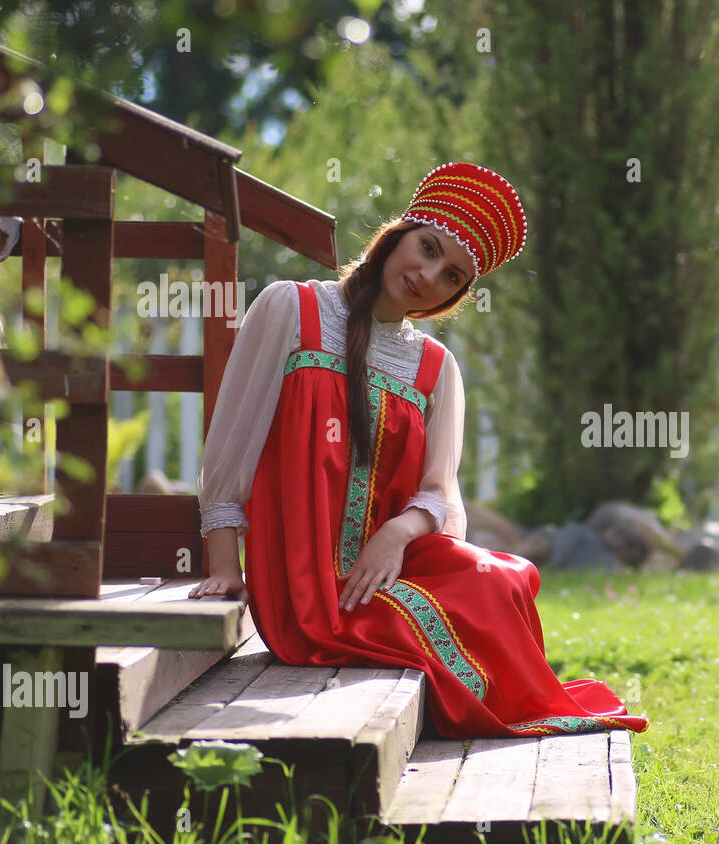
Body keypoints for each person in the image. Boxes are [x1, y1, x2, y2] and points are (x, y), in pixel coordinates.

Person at [188, 162, 648, 738]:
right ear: (398, 234)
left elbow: (439, 497)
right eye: (427, 249)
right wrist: (225, 566)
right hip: (306, 591)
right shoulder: (291, 308)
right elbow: (232, 443)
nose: (428, 275)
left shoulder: (436, 368)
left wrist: (395, 535)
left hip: (389, 564)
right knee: (473, 612)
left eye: (452, 276)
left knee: (502, 579)